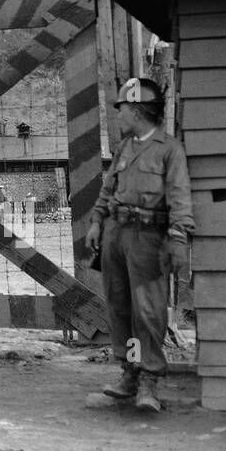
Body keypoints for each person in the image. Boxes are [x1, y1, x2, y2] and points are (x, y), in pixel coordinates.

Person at [85, 77, 192, 412]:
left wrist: (178, 238)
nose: (119, 117)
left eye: (123, 111)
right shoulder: (123, 148)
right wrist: (97, 221)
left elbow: (179, 198)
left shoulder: (169, 150)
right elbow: (108, 190)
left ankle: (149, 381)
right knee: (121, 308)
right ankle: (130, 373)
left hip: (149, 240)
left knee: (147, 311)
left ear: (138, 111)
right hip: (117, 235)